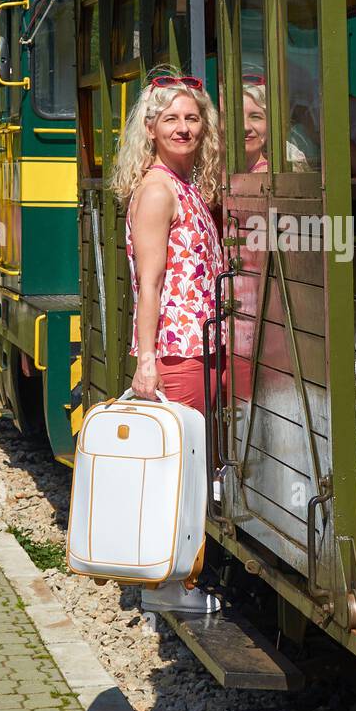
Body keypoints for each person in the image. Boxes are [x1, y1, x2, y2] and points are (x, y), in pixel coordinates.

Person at [110, 71, 225, 615]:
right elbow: (149, 283)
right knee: (177, 475)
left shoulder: (184, 187)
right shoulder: (157, 190)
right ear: (150, 128)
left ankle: (179, 581)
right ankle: (168, 589)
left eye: (192, 118)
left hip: (198, 349)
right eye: (171, 119)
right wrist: (148, 361)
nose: (183, 128)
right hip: (177, 352)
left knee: (190, 471)